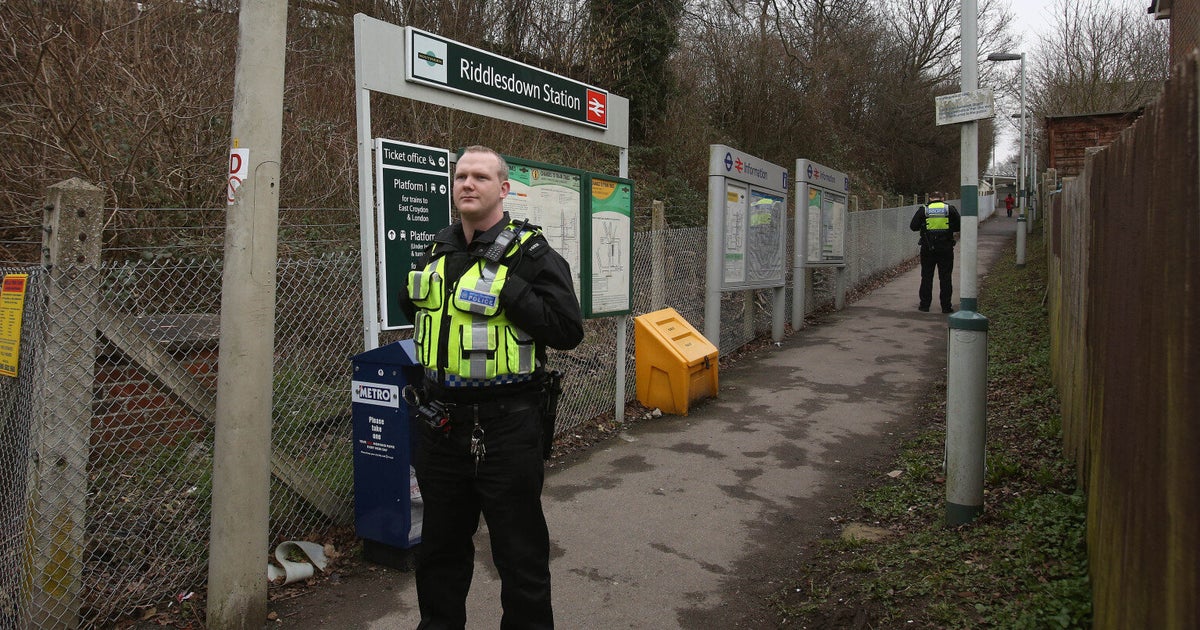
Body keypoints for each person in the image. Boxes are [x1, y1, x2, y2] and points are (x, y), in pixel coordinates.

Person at [398, 145, 584, 629]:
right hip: (440, 427)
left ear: (503, 189)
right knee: (438, 552)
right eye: (460, 175)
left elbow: (567, 330)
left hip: (508, 428)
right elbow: (417, 314)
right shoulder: (440, 247)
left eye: (480, 176)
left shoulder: (531, 253)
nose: (467, 183)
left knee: (519, 556)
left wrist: (511, 289)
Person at [910, 192, 961, 314]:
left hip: (928, 248)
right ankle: (946, 306)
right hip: (946, 248)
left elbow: (913, 226)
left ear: (930, 198)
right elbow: (958, 226)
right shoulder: (949, 209)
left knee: (927, 276)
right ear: (943, 198)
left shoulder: (924, 210)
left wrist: (925, 226)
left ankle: (925, 305)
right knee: (946, 277)